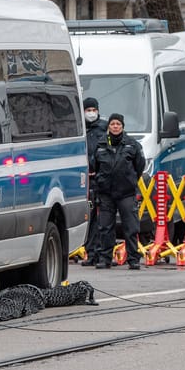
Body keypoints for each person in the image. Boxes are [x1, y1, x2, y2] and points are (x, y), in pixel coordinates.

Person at [91, 113, 146, 270]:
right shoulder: (100, 145)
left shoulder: (132, 145)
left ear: (122, 126)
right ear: (108, 126)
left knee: (131, 227)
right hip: (106, 193)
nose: (115, 126)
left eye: (118, 124)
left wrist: (129, 180)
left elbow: (139, 166)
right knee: (105, 227)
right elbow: (94, 165)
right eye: (112, 124)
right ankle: (105, 258)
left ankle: (134, 259)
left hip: (126, 193)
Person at [80, 97, 107, 266]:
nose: (91, 113)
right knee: (89, 218)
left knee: (103, 220)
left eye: (93, 110)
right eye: (88, 110)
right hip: (85, 179)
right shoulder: (80, 129)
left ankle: (102, 253)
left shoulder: (104, 128)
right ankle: (91, 252)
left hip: (100, 178)